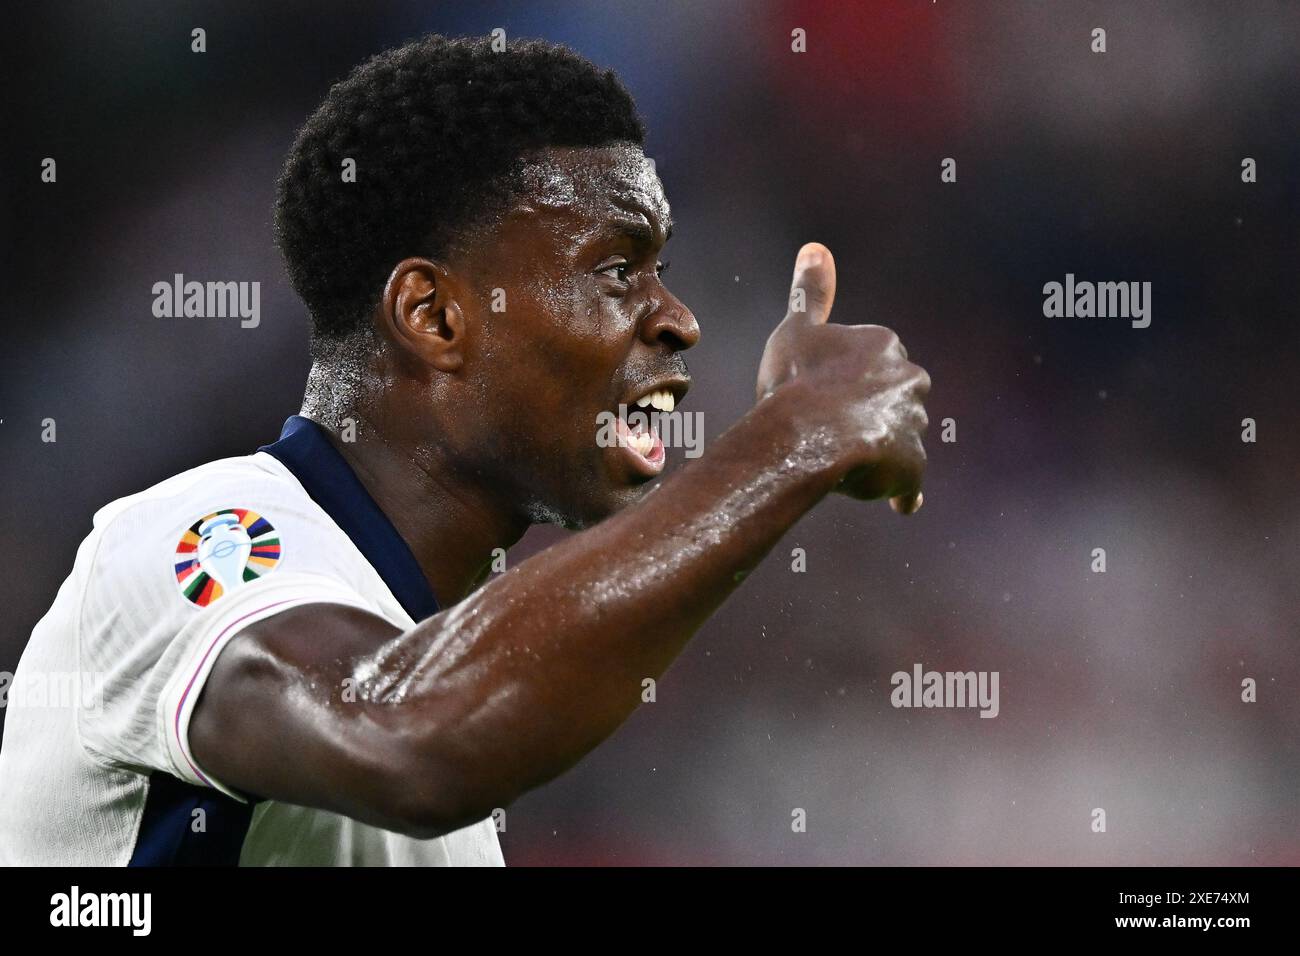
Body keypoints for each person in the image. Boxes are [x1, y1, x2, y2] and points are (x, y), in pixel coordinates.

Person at [0, 34, 929, 865]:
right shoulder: (186, 546)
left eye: (662, 271)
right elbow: (410, 740)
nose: (679, 320)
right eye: (617, 270)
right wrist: (792, 438)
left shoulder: (445, 730)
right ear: (435, 315)